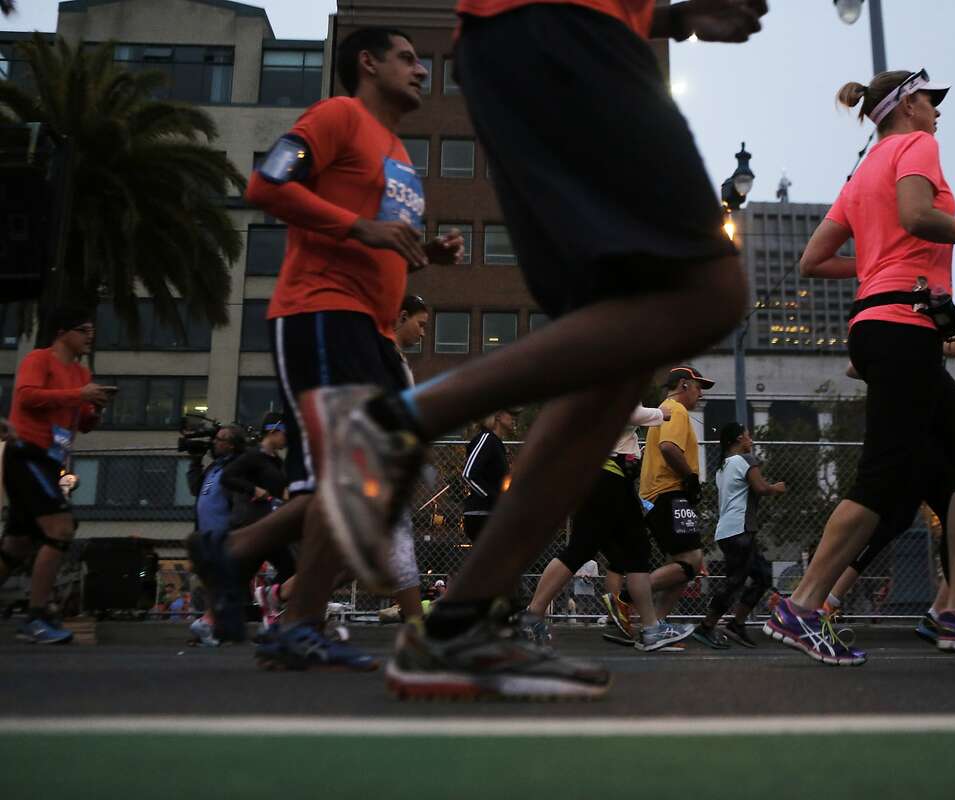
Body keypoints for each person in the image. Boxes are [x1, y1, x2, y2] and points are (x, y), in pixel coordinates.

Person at [301, 0, 766, 699]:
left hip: (527, 45)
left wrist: (675, 17)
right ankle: (401, 421)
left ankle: (458, 625)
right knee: (709, 291)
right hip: (563, 33)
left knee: (618, 354)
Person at [212, 26, 462, 670]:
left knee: (378, 481)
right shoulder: (337, 117)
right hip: (321, 313)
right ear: (368, 62)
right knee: (347, 480)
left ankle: (234, 554)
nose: (421, 70)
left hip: (373, 330)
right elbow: (266, 186)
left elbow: (382, 245)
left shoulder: (400, 154)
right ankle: (298, 624)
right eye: (407, 58)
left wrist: (422, 254)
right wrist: (361, 227)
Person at [765, 67, 955, 665]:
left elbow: (813, 260)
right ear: (908, 105)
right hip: (901, 328)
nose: (937, 113)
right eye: (930, 102)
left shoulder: (862, 173)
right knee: (884, 478)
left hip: (880, 325)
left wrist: (874, 270)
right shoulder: (918, 145)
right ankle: (803, 606)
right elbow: (916, 216)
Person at [524, 403, 694, 652]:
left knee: (627, 551)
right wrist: (661, 414)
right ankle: (650, 630)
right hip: (608, 476)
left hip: (601, 476)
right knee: (615, 551)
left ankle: (650, 629)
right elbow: (625, 411)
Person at [0, 308, 111, 644]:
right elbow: (27, 396)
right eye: (83, 330)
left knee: (18, 544)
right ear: (63, 332)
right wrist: (80, 395)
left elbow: (81, 420)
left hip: (52, 460)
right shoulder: (39, 359)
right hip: (27, 453)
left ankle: (35, 616)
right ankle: (35, 616)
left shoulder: (81, 372)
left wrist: (96, 409)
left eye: (92, 330)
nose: (90, 336)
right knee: (61, 527)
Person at [691, 422, 785, 649]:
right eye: (747, 436)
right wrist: (776, 488)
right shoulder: (746, 461)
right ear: (738, 439)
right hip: (738, 531)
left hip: (731, 531)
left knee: (762, 576)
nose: (750, 439)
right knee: (734, 583)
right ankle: (706, 627)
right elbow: (761, 488)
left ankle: (736, 624)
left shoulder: (722, 467)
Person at [639, 367, 712, 619]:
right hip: (669, 493)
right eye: (698, 387)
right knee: (692, 559)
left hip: (658, 495)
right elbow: (669, 447)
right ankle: (626, 596)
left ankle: (657, 625)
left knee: (681, 566)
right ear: (683, 385)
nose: (700, 394)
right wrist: (690, 478)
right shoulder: (676, 409)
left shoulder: (664, 410)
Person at [221, 412, 291, 630]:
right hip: (252, 525)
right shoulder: (253, 456)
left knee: (291, 569)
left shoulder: (277, 461)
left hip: (269, 525)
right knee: (240, 575)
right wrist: (253, 489)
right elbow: (228, 476)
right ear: (273, 431)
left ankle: (270, 604)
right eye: (285, 434)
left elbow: (281, 490)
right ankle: (212, 620)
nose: (288, 439)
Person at [185, 424, 245, 646]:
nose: (214, 443)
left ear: (231, 445)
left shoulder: (235, 467)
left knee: (221, 584)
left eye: (220, 439)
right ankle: (206, 628)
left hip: (223, 535)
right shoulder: (214, 468)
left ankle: (215, 628)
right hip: (204, 535)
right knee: (205, 585)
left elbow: (238, 500)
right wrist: (195, 462)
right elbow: (195, 488)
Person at [461, 408, 517, 543]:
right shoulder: (486, 439)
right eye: (511, 414)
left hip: (494, 515)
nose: (514, 419)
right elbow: (468, 475)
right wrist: (492, 497)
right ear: (498, 416)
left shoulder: (497, 444)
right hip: (481, 515)